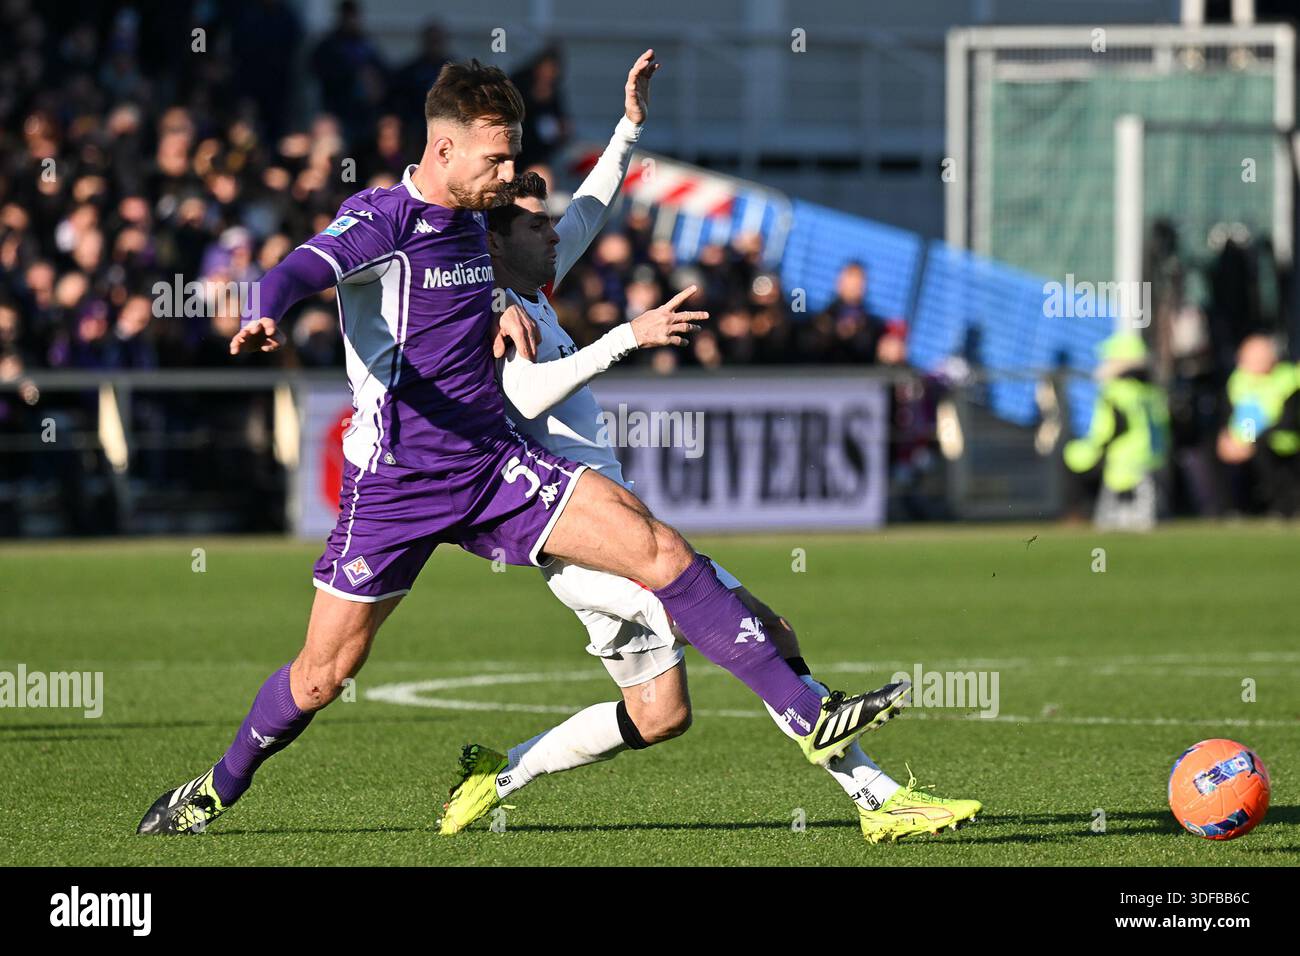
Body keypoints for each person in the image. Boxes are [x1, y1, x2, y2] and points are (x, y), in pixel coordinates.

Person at [137, 55, 908, 837]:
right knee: (323, 676)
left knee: (660, 548)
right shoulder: (382, 220)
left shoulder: (480, 219)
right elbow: (304, 265)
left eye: (511, 155)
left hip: (491, 464)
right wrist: (267, 308)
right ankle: (214, 790)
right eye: (495, 158)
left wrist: (502, 303)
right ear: (443, 152)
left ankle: (811, 715)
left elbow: (526, 260)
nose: (510, 173)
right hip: (397, 487)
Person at [436, 51, 978, 844]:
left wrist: (628, 127)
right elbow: (520, 398)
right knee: (754, 624)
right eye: (536, 225)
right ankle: (877, 797)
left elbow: (592, 205)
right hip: (576, 534)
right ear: (495, 240)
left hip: (606, 522)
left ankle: (501, 773)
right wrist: (627, 335)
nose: (557, 233)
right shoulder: (491, 312)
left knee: (661, 717)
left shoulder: (532, 289)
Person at [1064, 333, 1170, 530]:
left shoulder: (1116, 393)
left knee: (1076, 459)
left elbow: (1110, 429)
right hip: (1152, 457)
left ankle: (1081, 514)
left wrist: (1094, 449)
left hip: (1122, 457)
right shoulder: (1152, 393)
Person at [1216, 334, 1300, 516]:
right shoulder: (1238, 380)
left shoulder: (1289, 378)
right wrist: (1230, 438)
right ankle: (1236, 509)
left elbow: (1289, 421)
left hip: (1282, 441)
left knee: (1264, 456)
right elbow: (1235, 415)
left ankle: (1282, 508)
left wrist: (1251, 442)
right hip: (1251, 439)